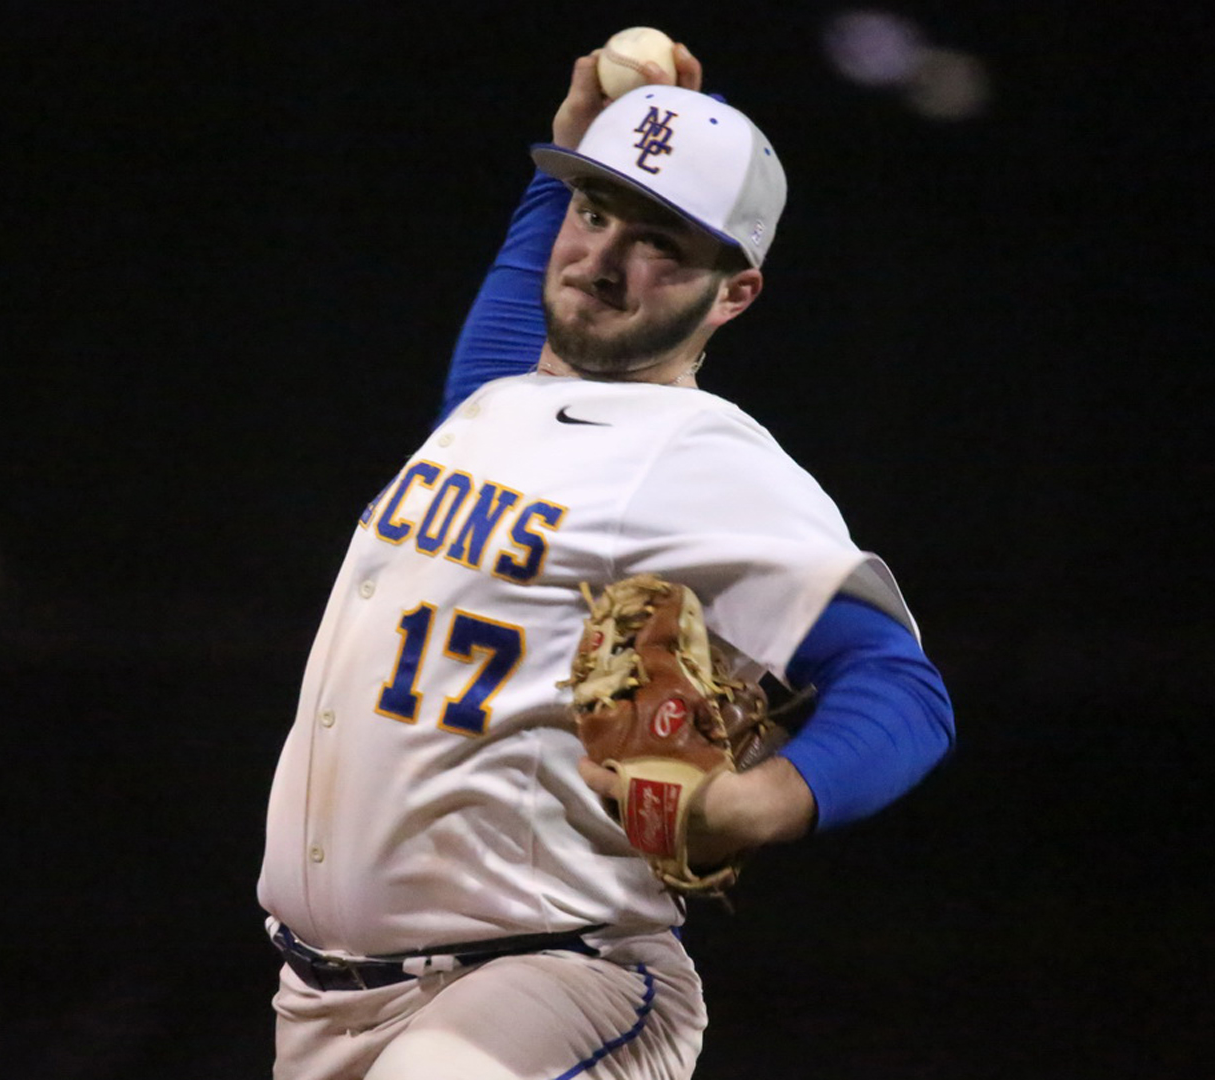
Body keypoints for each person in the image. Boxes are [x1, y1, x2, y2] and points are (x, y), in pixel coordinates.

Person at [258, 37, 955, 1080]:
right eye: (592, 213)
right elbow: (519, 325)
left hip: (547, 979)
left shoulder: (707, 455)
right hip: (324, 1000)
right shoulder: (500, 409)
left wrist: (755, 804)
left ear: (735, 294)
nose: (602, 257)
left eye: (661, 242)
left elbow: (902, 686)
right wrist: (579, 141)